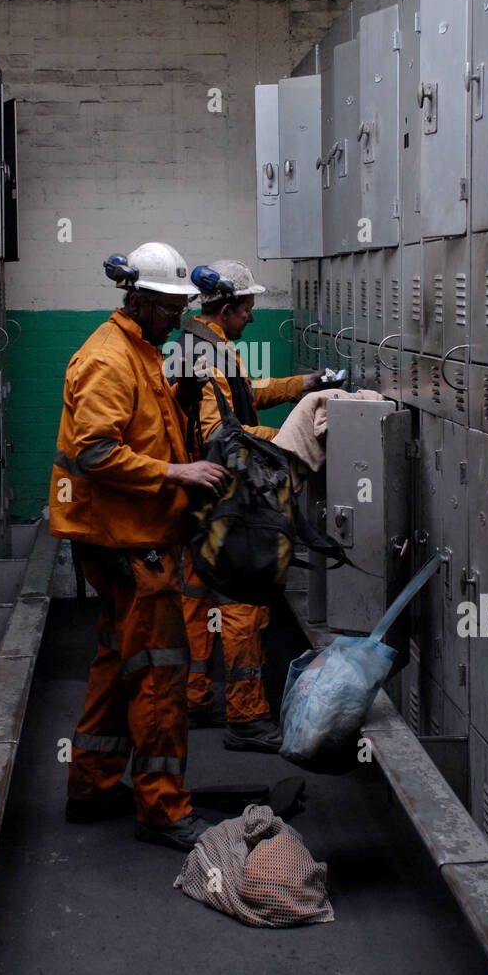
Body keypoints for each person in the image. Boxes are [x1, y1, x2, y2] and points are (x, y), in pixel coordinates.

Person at [49, 242, 228, 851]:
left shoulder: (140, 350)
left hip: (131, 541)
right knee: (158, 676)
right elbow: (96, 451)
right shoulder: (109, 359)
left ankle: (93, 785)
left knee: (115, 667)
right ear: (142, 301)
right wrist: (176, 475)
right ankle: (163, 807)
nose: (180, 315)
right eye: (171, 306)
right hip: (131, 547)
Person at [174, 260, 333, 752]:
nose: (252, 318)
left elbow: (241, 401)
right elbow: (220, 434)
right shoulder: (206, 355)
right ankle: (245, 718)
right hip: (224, 494)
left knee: (198, 591)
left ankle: (194, 695)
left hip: (200, 498)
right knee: (243, 602)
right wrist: (286, 440)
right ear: (225, 309)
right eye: (247, 309)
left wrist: (303, 385)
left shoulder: (205, 346)